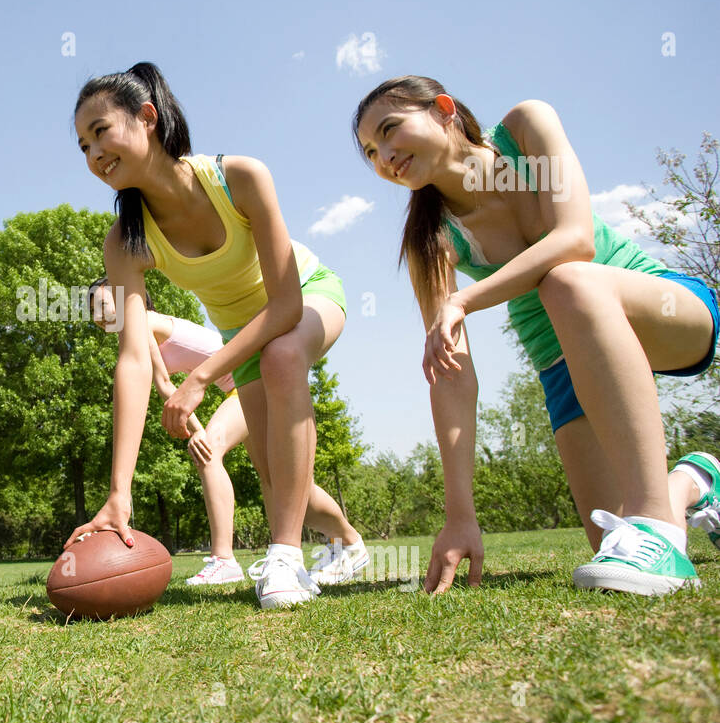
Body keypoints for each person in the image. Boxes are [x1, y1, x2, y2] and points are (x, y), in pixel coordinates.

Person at [352, 76, 719, 596]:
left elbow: (576, 240)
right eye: (370, 152)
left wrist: (462, 300)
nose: (384, 155)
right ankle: (695, 482)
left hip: (657, 308)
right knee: (609, 540)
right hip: (564, 363)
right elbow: (451, 375)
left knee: (567, 280)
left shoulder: (525, 128)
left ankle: (661, 529)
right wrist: (460, 515)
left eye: (390, 131)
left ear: (443, 109)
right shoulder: (431, 241)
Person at [65, 62, 351, 609]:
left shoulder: (238, 176)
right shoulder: (126, 240)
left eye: (100, 131)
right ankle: (348, 544)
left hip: (303, 296)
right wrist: (118, 493)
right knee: (277, 476)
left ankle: (285, 559)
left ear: (147, 118)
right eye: (82, 145)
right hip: (244, 333)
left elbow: (287, 303)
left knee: (284, 356)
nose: (93, 153)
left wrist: (199, 378)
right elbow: (131, 358)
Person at [86, 277, 367, 586]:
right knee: (280, 478)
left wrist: (197, 432)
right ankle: (346, 541)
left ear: (125, 299)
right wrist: (197, 429)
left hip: (250, 379)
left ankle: (224, 560)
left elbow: (166, 387)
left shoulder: (141, 322)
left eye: (101, 305)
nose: (97, 316)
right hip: (246, 384)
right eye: (91, 311)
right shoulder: (138, 331)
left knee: (210, 453)